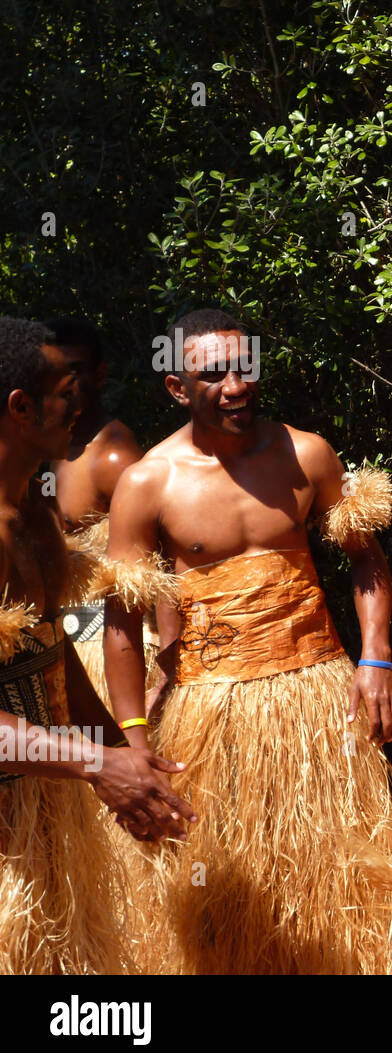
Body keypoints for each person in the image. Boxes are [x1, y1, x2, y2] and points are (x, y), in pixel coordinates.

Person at [103, 307, 392, 974]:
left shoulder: (307, 454)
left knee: (330, 886)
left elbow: (366, 559)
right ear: (178, 387)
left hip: (316, 702)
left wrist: (376, 654)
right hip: (207, 715)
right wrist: (134, 739)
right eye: (215, 374)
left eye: (246, 367)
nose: (236, 384)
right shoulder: (149, 482)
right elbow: (121, 627)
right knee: (215, 891)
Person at [0, 317, 194, 974]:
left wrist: (122, 757)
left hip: (42, 818)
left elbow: (57, 660)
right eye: (64, 389)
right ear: (19, 407)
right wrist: (94, 763)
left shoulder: (32, 515)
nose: (80, 401)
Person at [42, 317, 150, 702]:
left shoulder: (114, 457)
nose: (64, 383)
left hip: (107, 660)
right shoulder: (46, 451)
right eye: (53, 370)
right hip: (58, 655)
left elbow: (162, 569)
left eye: (75, 370)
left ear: (100, 374)